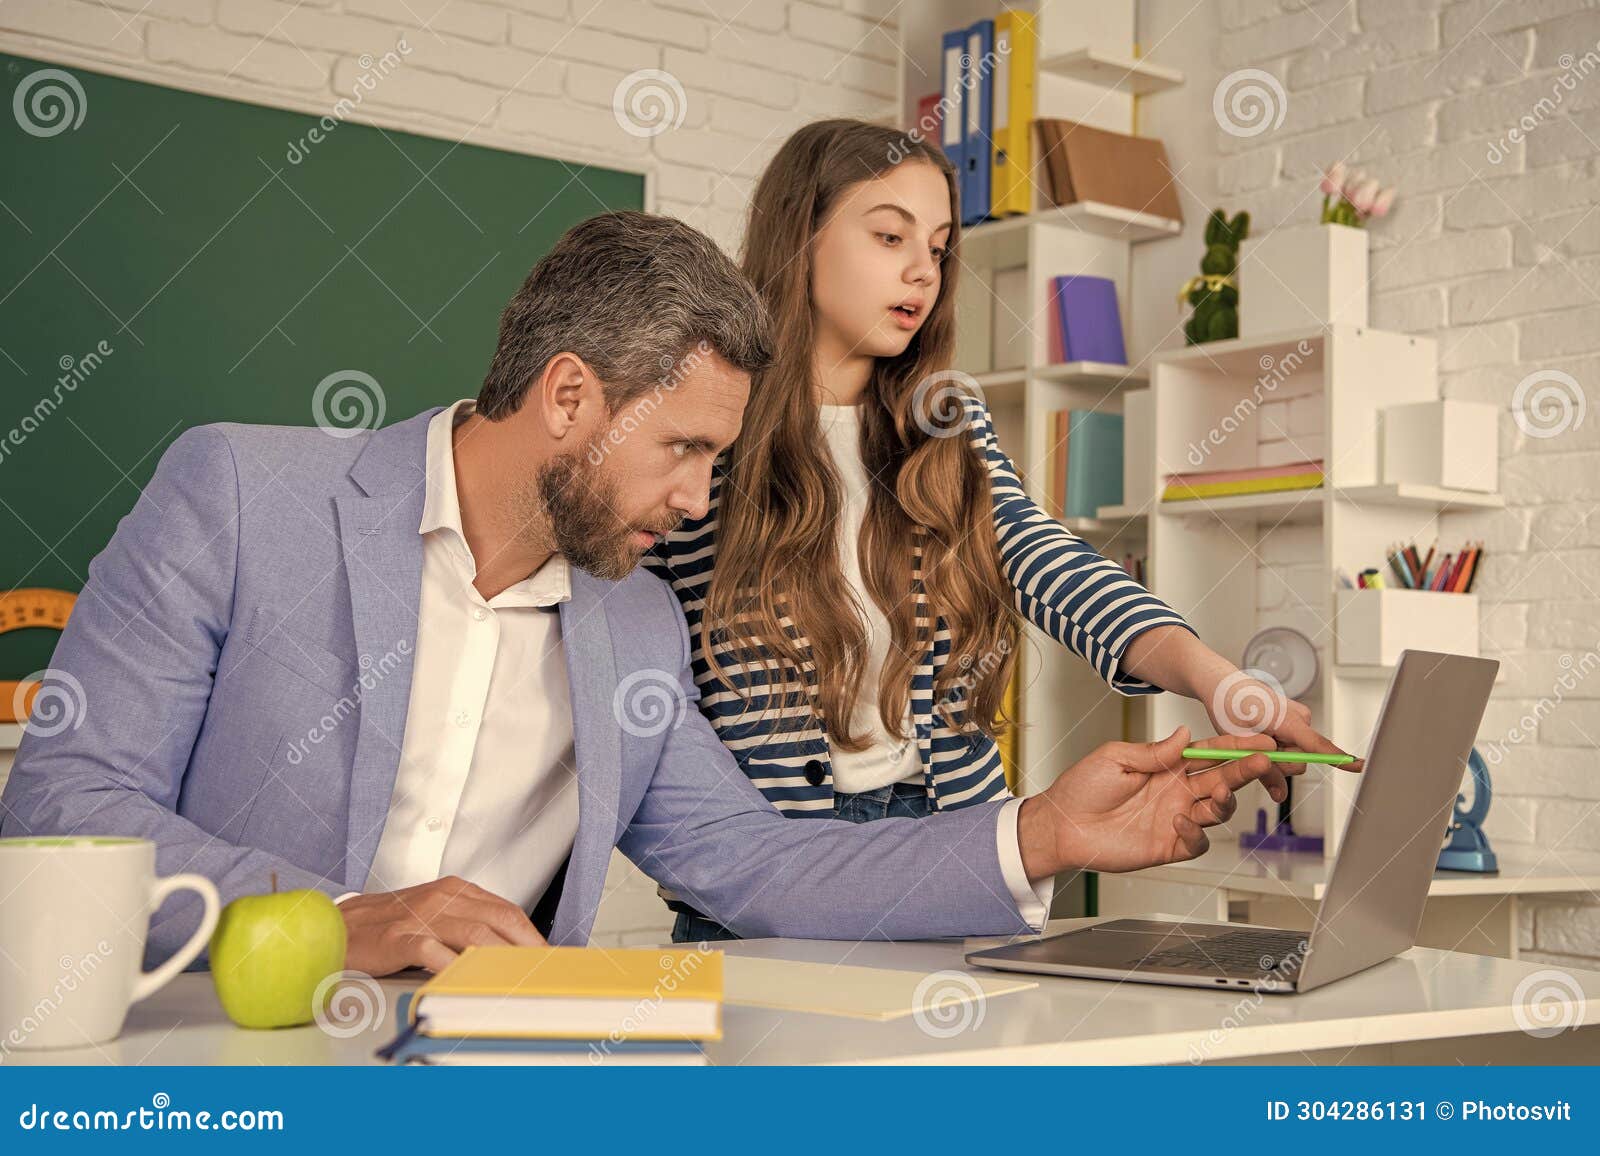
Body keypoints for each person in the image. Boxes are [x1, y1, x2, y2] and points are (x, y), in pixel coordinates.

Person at [0, 211, 1285, 978]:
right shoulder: (242, 493)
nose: (694, 499)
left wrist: (1043, 832)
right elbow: (64, 798)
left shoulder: (630, 617)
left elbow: (752, 860)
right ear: (569, 396)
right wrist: (342, 921)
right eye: (682, 451)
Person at [644, 121, 1357, 944]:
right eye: (888, 235)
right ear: (799, 235)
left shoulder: (946, 419)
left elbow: (1045, 558)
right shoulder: (702, 429)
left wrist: (1217, 679)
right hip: (772, 867)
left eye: (941, 248)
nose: (922, 270)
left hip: (951, 839)